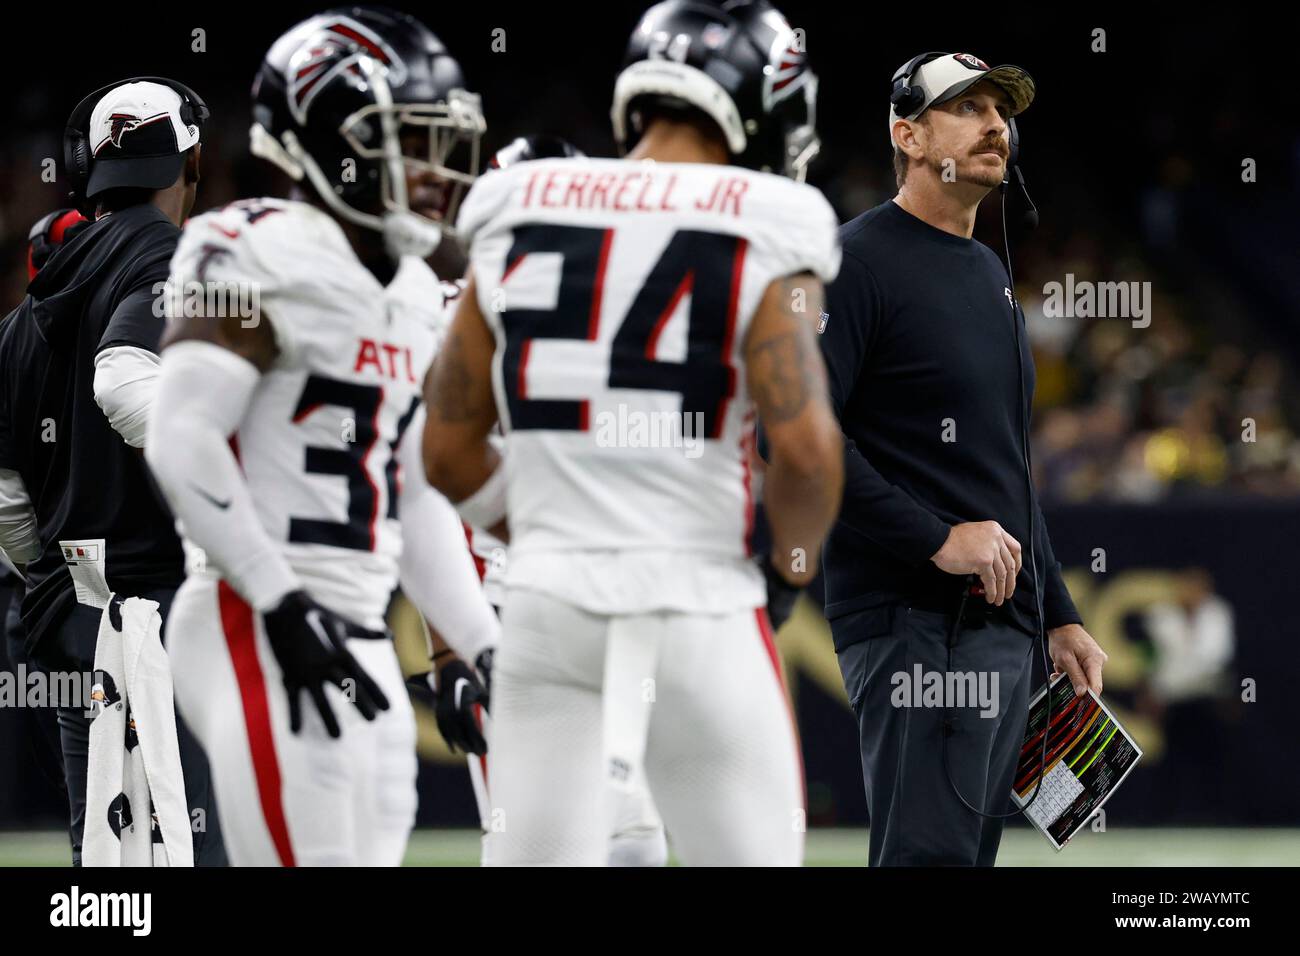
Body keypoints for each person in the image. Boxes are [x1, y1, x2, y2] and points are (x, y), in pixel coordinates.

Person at [422, 0, 843, 866]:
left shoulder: (518, 201)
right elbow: (806, 453)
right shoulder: (767, 216)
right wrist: (787, 571)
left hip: (543, 606)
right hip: (697, 600)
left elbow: (446, 450)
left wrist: (547, 526)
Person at [144, 6, 498, 866]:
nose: (428, 170)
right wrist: (278, 597)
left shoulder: (418, 289)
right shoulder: (250, 247)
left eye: (436, 142)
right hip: (254, 610)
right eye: (403, 141)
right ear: (322, 138)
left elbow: (409, 489)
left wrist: (476, 647)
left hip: (357, 625)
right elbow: (180, 438)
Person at [817, 51, 1107, 865]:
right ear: (907, 135)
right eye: (967, 107)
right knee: (928, 859)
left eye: (1000, 110)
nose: (994, 125)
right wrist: (933, 538)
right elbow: (797, 439)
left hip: (1001, 627)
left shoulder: (988, 270)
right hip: (915, 620)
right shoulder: (852, 261)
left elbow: (1005, 467)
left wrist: (1058, 609)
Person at [0, 78, 226, 865]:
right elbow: (123, 382)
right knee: (199, 851)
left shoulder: (30, 306)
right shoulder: (174, 255)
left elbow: (5, 498)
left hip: (76, 617)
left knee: (107, 876)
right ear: (189, 159)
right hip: (167, 607)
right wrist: (232, 517)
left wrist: (47, 575)